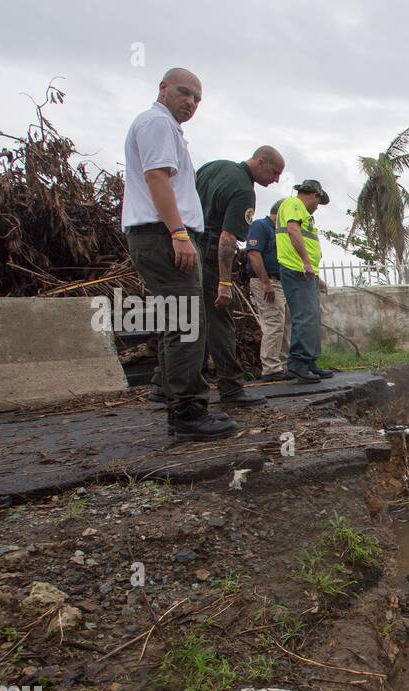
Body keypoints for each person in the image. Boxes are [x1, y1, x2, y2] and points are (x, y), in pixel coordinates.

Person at [121, 67, 234, 441]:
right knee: (188, 322)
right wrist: (179, 233)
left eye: (197, 99)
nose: (191, 102)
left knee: (178, 320)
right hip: (163, 235)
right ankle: (188, 413)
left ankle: (175, 400)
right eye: (185, 93)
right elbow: (157, 178)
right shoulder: (157, 124)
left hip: (158, 235)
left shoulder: (162, 125)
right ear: (163, 88)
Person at [194, 147, 285, 404]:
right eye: (275, 172)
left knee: (188, 318)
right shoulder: (244, 190)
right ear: (260, 162)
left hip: (188, 248)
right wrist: (224, 281)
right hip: (210, 256)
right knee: (220, 319)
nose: (276, 180)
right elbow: (227, 238)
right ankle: (232, 388)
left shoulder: (213, 166)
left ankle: (163, 383)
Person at [276, 179, 333, 382]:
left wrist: (317, 277)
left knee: (312, 317)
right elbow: (293, 231)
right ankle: (297, 364)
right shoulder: (293, 204)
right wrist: (306, 262)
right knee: (304, 316)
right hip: (295, 269)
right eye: (319, 202)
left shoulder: (304, 213)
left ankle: (309, 362)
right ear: (314, 194)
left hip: (306, 272)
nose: (317, 207)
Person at [246, 200, 291, 381]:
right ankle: (271, 368)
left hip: (281, 282)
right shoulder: (261, 226)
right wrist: (266, 283)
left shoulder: (281, 231)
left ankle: (282, 364)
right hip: (266, 282)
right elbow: (254, 254)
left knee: (283, 324)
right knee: (273, 322)